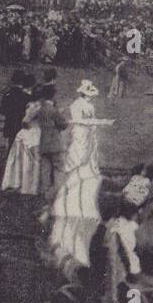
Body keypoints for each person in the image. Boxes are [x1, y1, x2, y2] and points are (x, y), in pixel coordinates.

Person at [48, 80, 107, 271]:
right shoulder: (76, 106)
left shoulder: (88, 106)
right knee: (78, 163)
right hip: (81, 133)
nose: (90, 96)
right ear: (83, 93)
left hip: (88, 133)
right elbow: (77, 125)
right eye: (88, 93)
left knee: (88, 160)